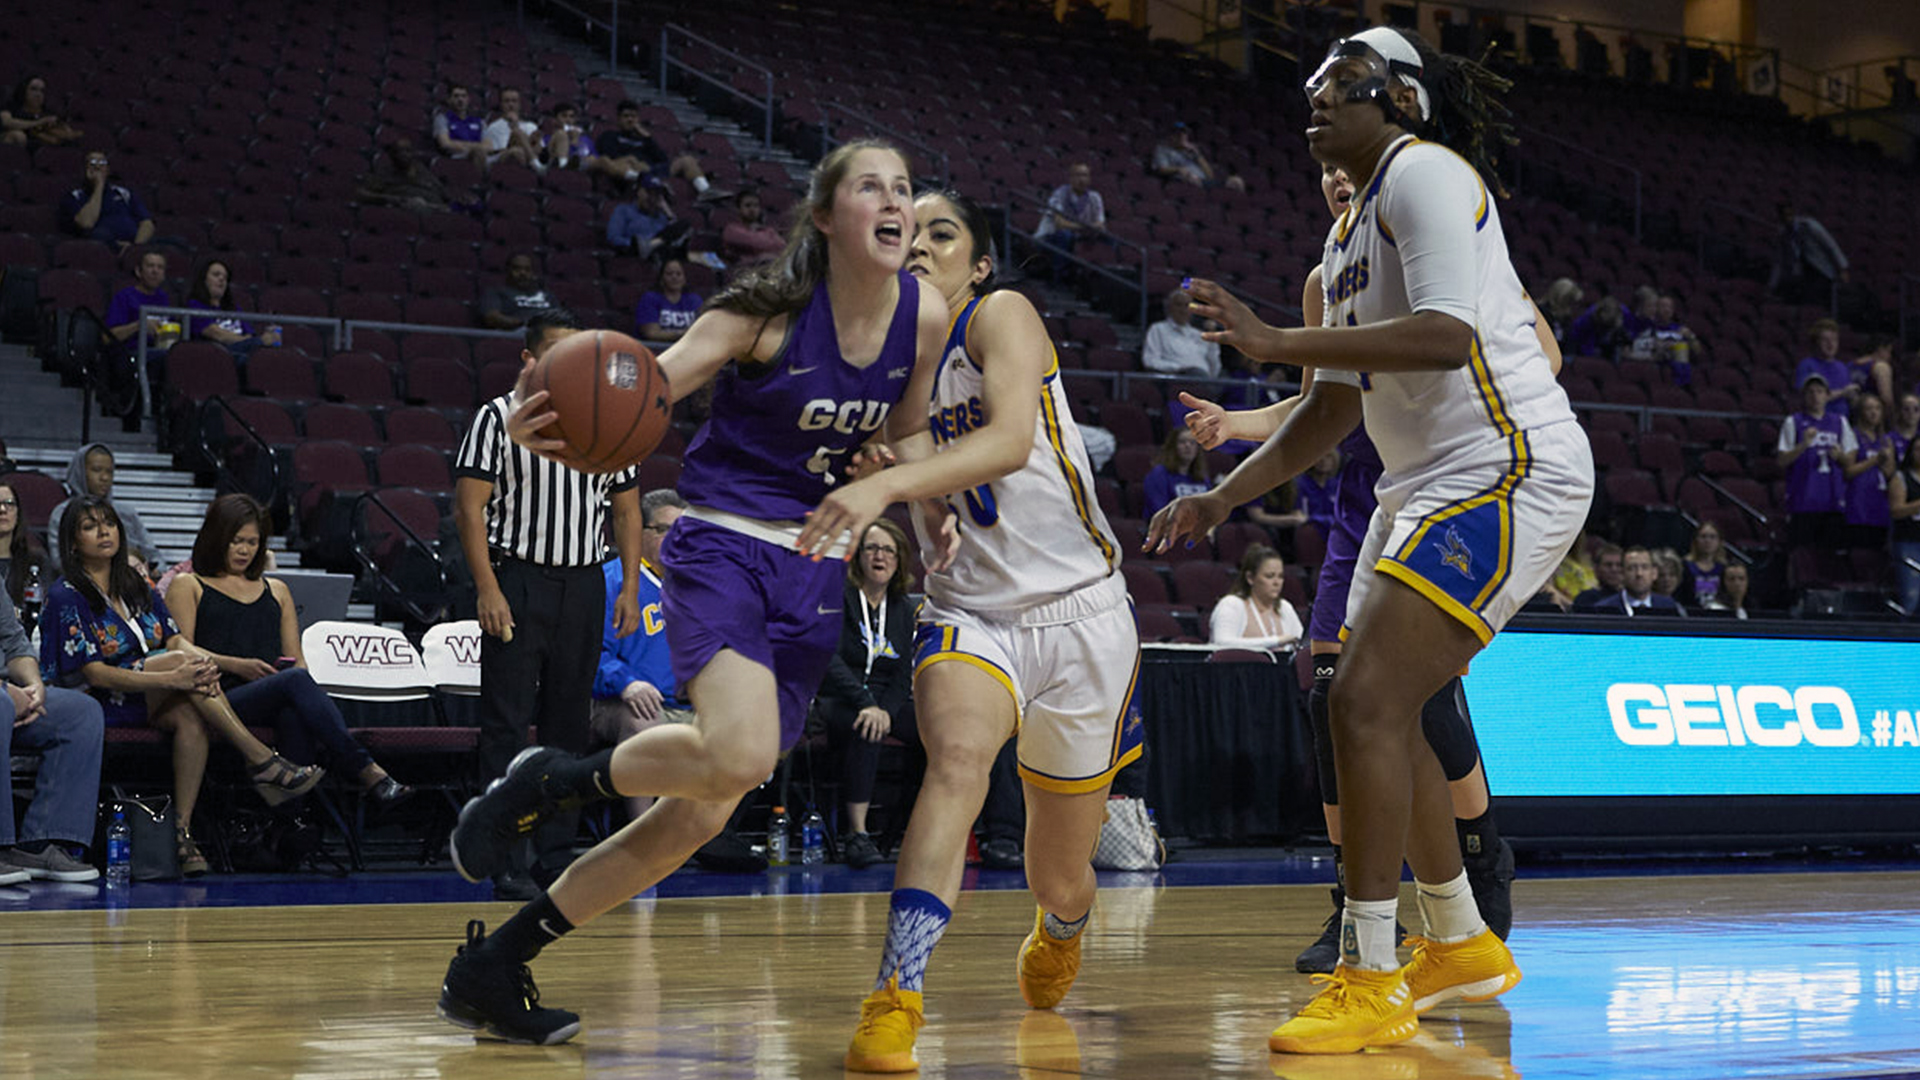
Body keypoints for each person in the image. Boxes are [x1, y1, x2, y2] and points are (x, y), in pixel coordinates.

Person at [434, 140, 946, 1045]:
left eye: (904, 187)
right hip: (726, 545)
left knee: (700, 814)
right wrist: (550, 403)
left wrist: (906, 483)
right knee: (741, 751)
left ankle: (496, 963)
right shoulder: (763, 312)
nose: (896, 200)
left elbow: (907, 436)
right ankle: (550, 780)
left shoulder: (925, 313)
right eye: (872, 185)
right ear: (827, 218)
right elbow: (651, 384)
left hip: (817, 567)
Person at [1148, 27, 1591, 1053]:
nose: (1312, 101)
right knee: (1377, 702)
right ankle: (1461, 941)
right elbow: (1331, 412)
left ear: (1399, 98)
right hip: (1417, 482)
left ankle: (1372, 968)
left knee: (1364, 698)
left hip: (1507, 463)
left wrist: (1271, 340)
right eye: (1307, 87)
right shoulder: (1343, 246)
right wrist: (1224, 498)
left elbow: (1450, 336)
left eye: (1336, 87)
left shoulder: (1424, 173)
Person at [769, 187, 1143, 1073]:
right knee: (958, 765)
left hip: (1084, 613)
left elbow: (1010, 440)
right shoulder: (888, 372)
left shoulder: (1000, 314)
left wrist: (891, 485)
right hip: (970, 612)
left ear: (977, 264)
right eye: (908, 233)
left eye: (945, 233)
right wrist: (914, 505)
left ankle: (1063, 924)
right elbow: (930, 497)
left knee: (1058, 870)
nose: (922, 244)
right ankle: (895, 996)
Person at [1178, 158, 1549, 978]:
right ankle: (1355, 901)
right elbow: (1323, 399)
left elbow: (1542, 363)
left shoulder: (1456, 253)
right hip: (1363, 494)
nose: (1337, 179)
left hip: (1452, 476)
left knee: (1421, 696)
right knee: (1332, 697)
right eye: (1322, 170)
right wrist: (1235, 427)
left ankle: (1481, 858)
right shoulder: (1327, 277)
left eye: (1351, 164)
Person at [453, 306, 644, 899]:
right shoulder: (496, 417)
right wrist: (488, 587)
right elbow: (469, 508)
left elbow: (628, 507)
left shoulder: (607, 417)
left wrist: (631, 585)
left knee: (568, 723)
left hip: (586, 580)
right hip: (517, 577)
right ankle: (501, 852)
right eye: (558, 350)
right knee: (507, 722)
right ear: (530, 358)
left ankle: (556, 853)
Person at [40, 497, 323, 876]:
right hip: (97, 703)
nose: (104, 531)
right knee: (181, 672)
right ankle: (262, 761)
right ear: (73, 543)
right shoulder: (66, 595)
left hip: (150, 693)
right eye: (90, 526)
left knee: (190, 706)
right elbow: (95, 675)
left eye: (109, 523)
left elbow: (175, 641)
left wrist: (210, 663)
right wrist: (172, 677)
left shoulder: (136, 583)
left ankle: (181, 832)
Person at [164, 495, 410, 806]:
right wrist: (237, 665)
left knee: (294, 706)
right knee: (293, 685)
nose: (244, 550)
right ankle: (364, 769)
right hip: (214, 697)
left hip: (268, 691)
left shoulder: (277, 590)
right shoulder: (189, 585)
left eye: (253, 542)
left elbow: (297, 660)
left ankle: (290, 826)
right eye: (236, 541)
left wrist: (281, 675)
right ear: (216, 538)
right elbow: (180, 655)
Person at [811, 519, 918, 870]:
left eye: (888, 550)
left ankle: (912, 827)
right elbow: (828, 658)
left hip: (887, 701)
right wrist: (868, 704)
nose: (880, 556)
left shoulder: (903, 609)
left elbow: (904, 673)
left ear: (900, 559)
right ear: (858, 556)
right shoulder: (837, 597)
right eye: (872, 548)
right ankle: (857, 833)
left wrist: (886, 709)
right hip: (838, 700)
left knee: (940, 732)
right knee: (866, 727)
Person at [590, 489, 691, 824]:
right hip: (616, 703)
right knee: (644, 718)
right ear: (639, 532)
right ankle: (640, 834)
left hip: (686, 706)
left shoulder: (698, 587)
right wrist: (627, 683)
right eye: (665, 530)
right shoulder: (611, 581)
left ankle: (707, 834)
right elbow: (590, 656)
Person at [0, 584, 105, 884]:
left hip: (10, 692)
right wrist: (6, 691)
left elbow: (16, 645)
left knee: (80, 713)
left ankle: (41, 843)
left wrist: (35, 689)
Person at [1777, 371, 1855, 551]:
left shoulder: (1840, 422)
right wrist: (1803, 445)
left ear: (1827, 396)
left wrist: (1840, 456)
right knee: (1801, 553)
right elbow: (1782, 460)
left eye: (1820, 391)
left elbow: (1850, 459)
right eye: (1810, 392)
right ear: (1804, 396)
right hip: (1803, 499)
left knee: (1829, 557)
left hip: (1832, 500)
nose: (1815, 396)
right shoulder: (1793, 422)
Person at [48, 443, 159, 569]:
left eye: (109, 471)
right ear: (80, 472)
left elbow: (153, 555)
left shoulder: (126, 513)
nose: (105, 477)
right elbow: (60, 562)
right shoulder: (63, 513)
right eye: (96, 470)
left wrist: (155, 571)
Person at [595, 100, 715, 195]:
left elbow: (663, 159)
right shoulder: (609, 135)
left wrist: (648, 138)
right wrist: (635, 163)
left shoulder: (644, 139)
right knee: (631, 160)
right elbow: (610, 157)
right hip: (629, 172)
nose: (630, 120)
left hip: (652, 169)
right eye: (626, 116)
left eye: (634, 116)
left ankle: (705, 191)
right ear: (618, 119)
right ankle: (648, 183)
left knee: (687, 160)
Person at [1210, 544, 1303, 649]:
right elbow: (1222, 643)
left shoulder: (1285, 607)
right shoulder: (1231, 604)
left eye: (1280, 576)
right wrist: (1277, 641)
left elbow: (1302, 643)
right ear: (1250, 578)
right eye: (1269, 576)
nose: (1277, 582)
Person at [60, 151, 154, 252]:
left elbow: (146, 223)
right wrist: (99, 186)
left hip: (133, 244)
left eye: (102, 163)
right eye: (92, 163)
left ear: (108, 170)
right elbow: (86, 223)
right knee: (99, 235)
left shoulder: (124, 193)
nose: (97, 167)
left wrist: (134, 248)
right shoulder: (75, 196)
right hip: (102, 244)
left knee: (171, 242)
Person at [186, 259, 281, 358]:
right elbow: (217, 334)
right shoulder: (195, 305)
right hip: (216, 356)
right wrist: (257, 342)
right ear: (204, 280)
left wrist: (251, 342)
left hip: (243, 352)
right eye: (216, 275)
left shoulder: (234, 309)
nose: (221, 279)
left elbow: (249, 334)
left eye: (225, 277)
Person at [1843, 392, 1896, 549]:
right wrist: (1874, 460)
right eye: (1869, 408)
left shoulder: (1886, 440)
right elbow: (1848, 472)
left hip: (1879, 502)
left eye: (1877, 409)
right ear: (1861, 412)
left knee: (1877, 554)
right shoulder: (1852, 435)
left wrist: (1887, 462)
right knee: (1859, 551)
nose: (1874, 413)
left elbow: (1889, 475)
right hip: (1857, 501)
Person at [1770, 202, 1848, 307]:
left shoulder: (1810, 226)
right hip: (1801, 272)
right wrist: (1772, 284)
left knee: (1814, 298)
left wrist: (1843, 268)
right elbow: (1779, 261)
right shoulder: (1783, 235)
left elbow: (1831, 245)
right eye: (1784, 216)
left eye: (1789, 215)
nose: (1788, 219)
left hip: (1820, 269)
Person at [103, 250, 172, 365]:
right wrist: (139, 326)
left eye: (160, 267)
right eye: (150, 266)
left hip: (158, 351)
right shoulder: (124, 296)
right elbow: (107, 338)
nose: (155, 271)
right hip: (130, 354)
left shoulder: (164, 298)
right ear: (138, 271)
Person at [0, 480, 57, 612]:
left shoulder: (36, 561)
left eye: (9, 504)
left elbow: (46, 609)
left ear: (18, 513)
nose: (2, 510)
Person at [606, 176, 692, 261]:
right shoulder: (623, 210)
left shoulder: (661, 216)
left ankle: (650, 246)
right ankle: (647, 246)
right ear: (639, 191)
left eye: (656, 193)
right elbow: (613, 238)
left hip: (660, 254)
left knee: (685, 225)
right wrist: (634, 245)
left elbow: (675, 235)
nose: (652, 197)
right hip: (633, 254)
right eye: (649, 192)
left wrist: (667, 211)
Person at [1141, 289, 1221, 378]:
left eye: (1187, 306)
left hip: (1202, 381)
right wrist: (1180, 369)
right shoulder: (1158, 329)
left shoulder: (1199, 334)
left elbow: (1214, 370)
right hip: (1175, 380)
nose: (1183, 310)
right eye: (1179, 305)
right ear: (1169, 307)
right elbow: (1150, 361)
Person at [1585, 547, 1685, 616]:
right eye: (1632, 568)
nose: (1639, 574)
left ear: (1654, 573)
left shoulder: (1668, 606)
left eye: (1644, 567)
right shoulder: (1604, 609)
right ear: (1622, 573)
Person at [1151, 121, 1245, 191]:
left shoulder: (1189, 151)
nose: (1182, 137)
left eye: (1184, 134)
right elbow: (1161, 169)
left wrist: (1197, 154)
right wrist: (1179, 169)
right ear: (1171, 136)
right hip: (1184, 183)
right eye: (1178, 134)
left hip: (1204, 183)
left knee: (1237, 181)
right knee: (1192, 179)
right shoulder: (1162, 149)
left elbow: (1210, 175)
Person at [1142, 427, 1211, 520]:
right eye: (1182, 442)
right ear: (1173, 447)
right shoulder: (1159, 474)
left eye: (1193, 443)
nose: (1188, 446)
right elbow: (1159, 510)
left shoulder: (1201, 478)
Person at [1795, 320, 1858, 419]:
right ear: (1816, 342)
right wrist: (1843, 392)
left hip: (1841, 423)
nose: (1830, 344)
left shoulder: (1842, 367)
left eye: (1834, 340)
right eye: (1825, 340)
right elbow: (1808, 399)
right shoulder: (1807, 365)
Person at [476, 253, 552, 330]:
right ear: (508, 271)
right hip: (517, 333)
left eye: (527, 269)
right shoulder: (495, 292)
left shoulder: (547, 295)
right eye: (517, 269)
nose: (523, 273)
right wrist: (523, 323)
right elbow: (492, 318)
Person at [634, 259, 701, 344]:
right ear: (661, 278)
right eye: (669, 274)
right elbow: (651, 333)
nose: (674, 277)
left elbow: (703, 331)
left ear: (684, 279)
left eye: (679, 274)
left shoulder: (694, 300)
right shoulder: (649, 299)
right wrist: (685, 333)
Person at [2, 75, 80, 147]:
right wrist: (40, 122)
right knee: (18, 135)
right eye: (33, 89)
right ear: (23, 91)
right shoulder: (12, 107)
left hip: (45, 150)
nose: (38, 94)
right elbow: (7, 122)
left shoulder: (47, 113)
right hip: (21, 148)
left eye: (42, 91)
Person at [1888, 438, 1920, 616]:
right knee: (1911, 596)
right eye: (1917, 449)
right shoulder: (1901, 478)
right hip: (1909, 542)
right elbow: (1896, 510)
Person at [721, 188, 786, 270]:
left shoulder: (768, 230)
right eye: (747, 205)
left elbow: (782, 246)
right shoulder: (731, 230)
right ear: (738, 209)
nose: (752, 209)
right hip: (743, 273)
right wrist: (769, 247)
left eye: (756, 206)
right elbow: (753, 242)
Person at [482, 87, 541, 170]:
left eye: (514, 101)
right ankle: (536, 166)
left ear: (519, 104)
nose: (511, 105)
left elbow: (539, 150)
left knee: (520, 148)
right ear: (501, 104)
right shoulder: (493, 127)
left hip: (526, 157)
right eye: (507, 101)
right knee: (517, 137)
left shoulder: (531, 126)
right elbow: (490, 152)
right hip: (502, 159)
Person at [432, 84, 488, 161]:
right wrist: (475, 148)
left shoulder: (480, 121)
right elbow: (445, 144)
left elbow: (488, 146)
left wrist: (462, 144)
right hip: (456, 157)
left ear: (468, 100)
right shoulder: (442, 119)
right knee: (478, 154)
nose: (460, 99)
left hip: (484, 156)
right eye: (456, 96)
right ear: (449, 99)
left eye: (463, 96)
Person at [1680, 522, 1728, 610]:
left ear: (1719, 541)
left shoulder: (1725, 568)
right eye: (1703, 536)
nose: (1708, 541)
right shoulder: (1684, 566)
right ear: (1696, 540)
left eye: (1712, 537)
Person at [1571, 541, 1624, 609]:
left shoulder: (1631, 599)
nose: (1614, 569)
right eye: (1608, 565)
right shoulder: (1585, 599)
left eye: (1619, 565)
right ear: (1597, 569)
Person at [1891, 392, 1919, 464]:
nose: (1911, 413)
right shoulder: (1890, 439)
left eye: (1916, 409)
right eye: (1906, 409)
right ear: (1899, 411)